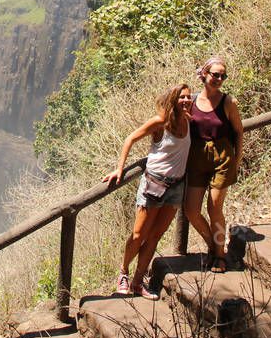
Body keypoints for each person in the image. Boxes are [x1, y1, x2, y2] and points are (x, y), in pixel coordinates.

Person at [102, 83, 194, 299]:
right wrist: (120, 168)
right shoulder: (160, 122)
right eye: (182, 97)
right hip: (154, 184)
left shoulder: (188, 121)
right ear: (173, 99)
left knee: (154, 236)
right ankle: (123, 272)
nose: (186, 100)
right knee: (138, 234)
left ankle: (137, 281)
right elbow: (131, 139)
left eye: (189, 97)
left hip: (176, 187)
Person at [183, 57, 244, 273]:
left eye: (222, 75)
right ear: (204, 75)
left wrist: (236, 160)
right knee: (191, 210)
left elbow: (238, 131)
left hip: (222, 157)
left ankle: (219, 255)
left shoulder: (228, 102)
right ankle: (213, 244)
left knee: (214, 208)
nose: (219, 79)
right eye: (215, 74)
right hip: (197, 158)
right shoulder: (191, 101)